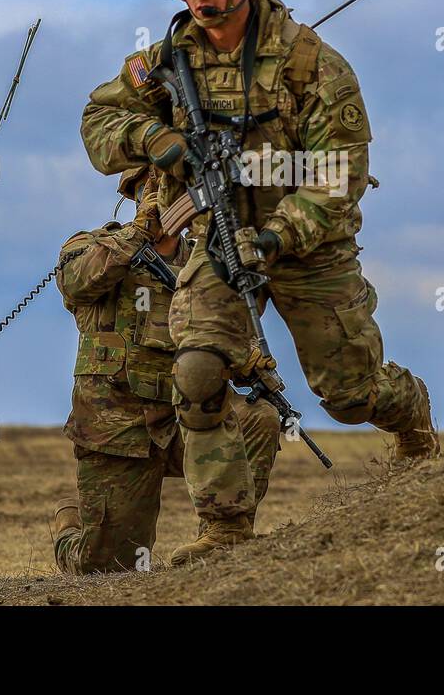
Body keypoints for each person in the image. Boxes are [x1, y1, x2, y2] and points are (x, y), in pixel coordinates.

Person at [81, 0, 439, 563]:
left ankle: (409, 410)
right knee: (195, 370)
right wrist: (149, 134)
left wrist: (275, 237)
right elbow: (96, 123)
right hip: (216, 238)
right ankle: (225, 528)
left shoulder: (313, 66)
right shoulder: (162, 61)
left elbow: (340, 175)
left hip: (307, 247)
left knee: (349, 395)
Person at [51, 167, 281, 571]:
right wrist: (140, 231)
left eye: (174, 188)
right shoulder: (95, 245)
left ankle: (224, 534)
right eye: (152, 188)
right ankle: (69, 527)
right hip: (118, 431)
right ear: (134, 193)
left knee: (259, 419)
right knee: (109, 567)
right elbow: (76, 282)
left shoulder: (205, 263)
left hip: (186, 421)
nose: (163, 196)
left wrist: (244, 358)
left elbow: (222, 332)